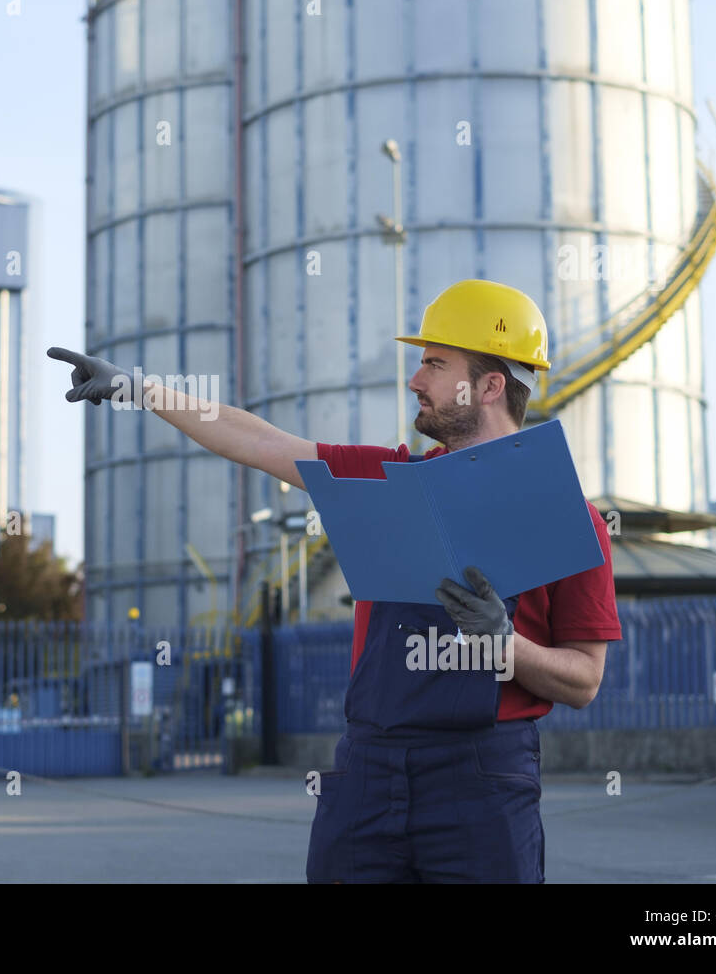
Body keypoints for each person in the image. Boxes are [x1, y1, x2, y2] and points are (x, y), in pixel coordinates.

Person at [48, 278, 621, 883]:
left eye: (433, 362)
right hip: (368, 770)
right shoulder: (380, 479)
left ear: (489, 385)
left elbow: (584, 681)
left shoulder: (569, 523)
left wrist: (504, 643)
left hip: (483, 778)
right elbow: (258, 440)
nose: (414, 379)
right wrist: (136, 388)